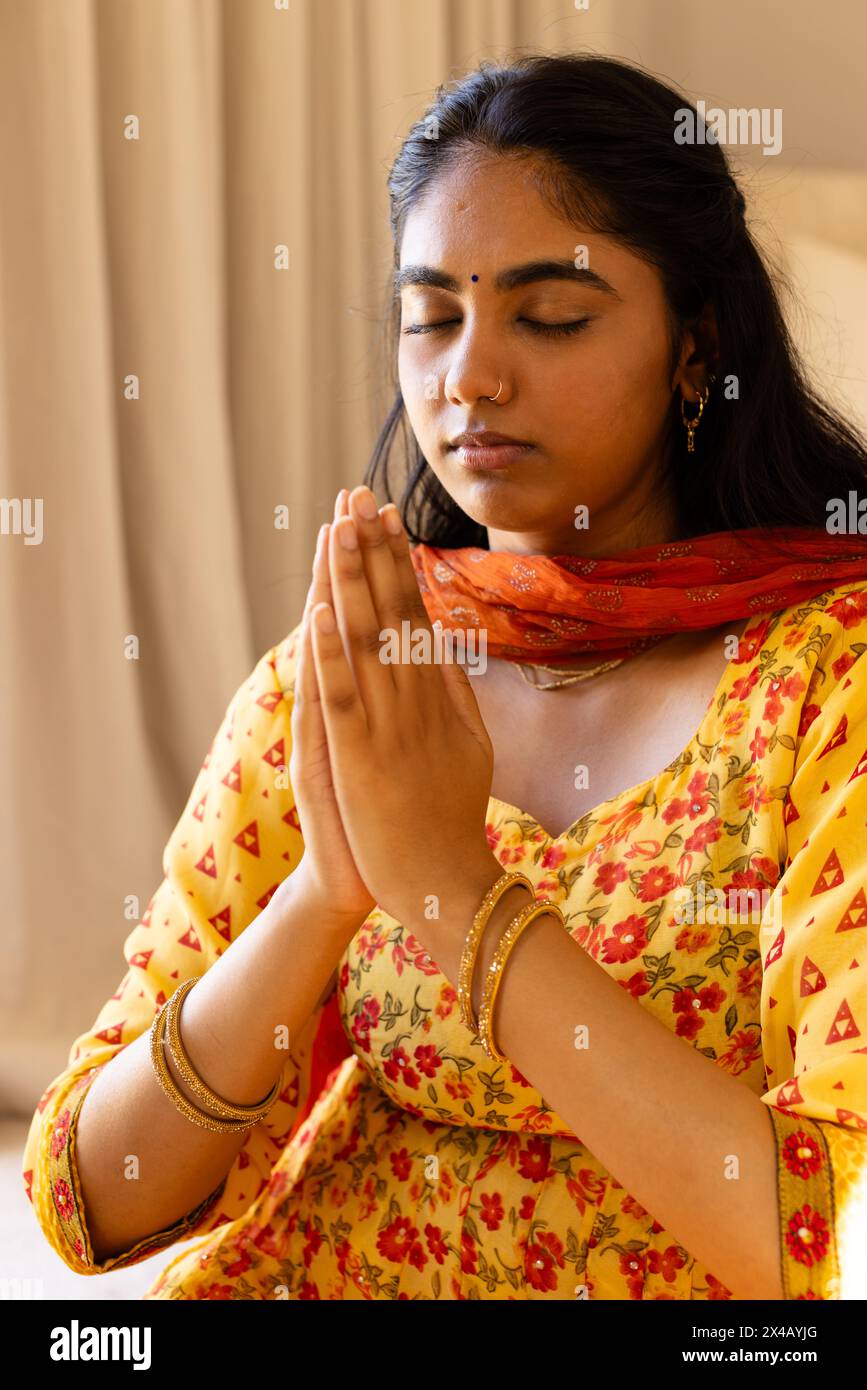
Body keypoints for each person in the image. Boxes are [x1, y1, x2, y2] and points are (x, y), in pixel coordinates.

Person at [23, 52, 867, 1300]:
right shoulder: (361, 678)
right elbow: (85, 1197)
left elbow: (827, 1247)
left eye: (552, 315)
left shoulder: (824, 685)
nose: (468, 376)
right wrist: (327, 890)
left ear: (699, 347)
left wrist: (459, 900)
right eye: (431, 315)